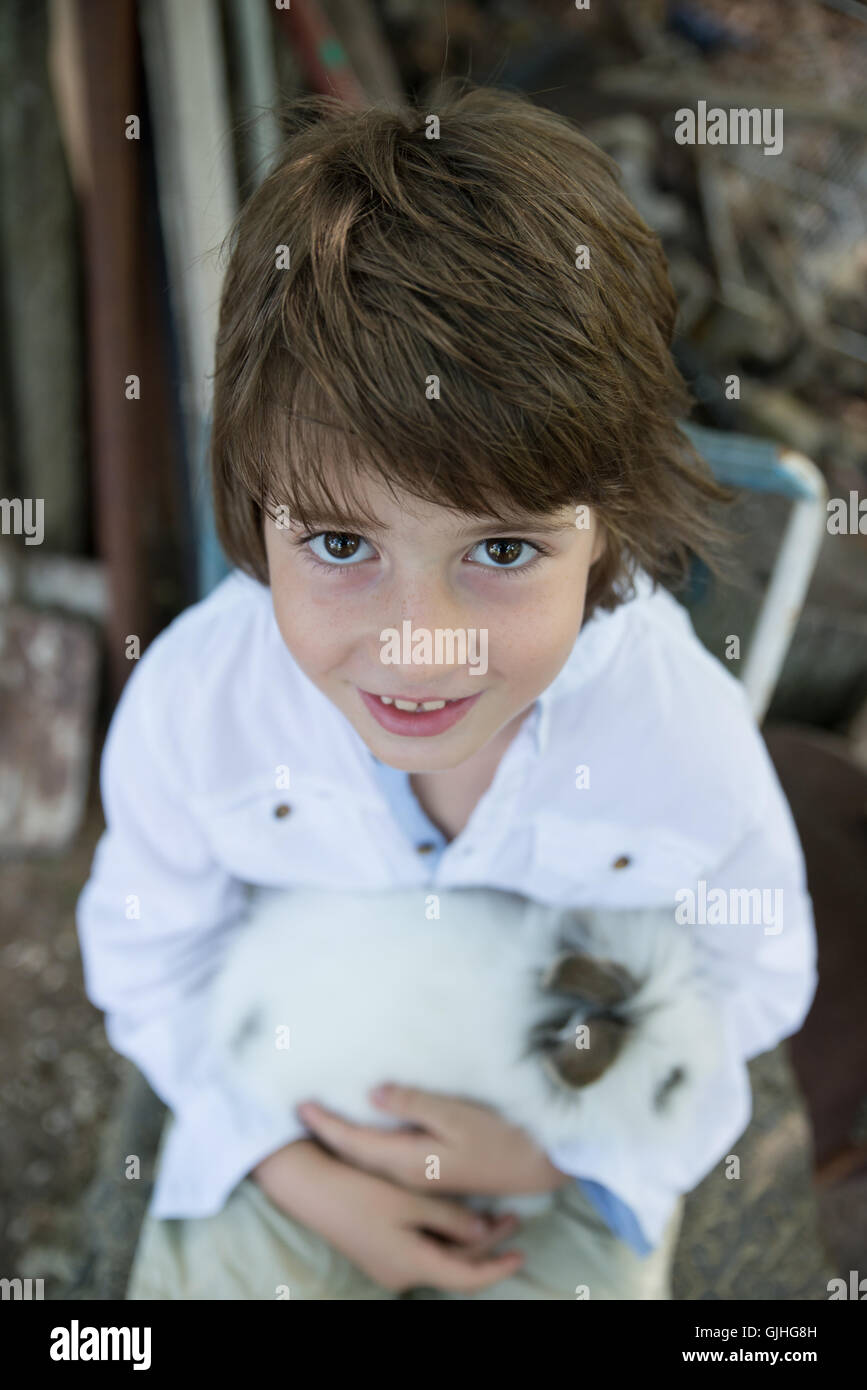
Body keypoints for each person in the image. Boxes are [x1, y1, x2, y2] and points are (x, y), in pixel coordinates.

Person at [76, 82, 817, 1300]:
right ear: (252, 514)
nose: (419, 651)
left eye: (504, 550)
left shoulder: (676, 735)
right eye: (339, 546)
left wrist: (557, 1154)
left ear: (609, 528)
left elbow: (755, 974)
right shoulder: (201, 707)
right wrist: (293, 1170)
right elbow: (147, 957)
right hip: (289, 1127)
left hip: (553, 1162)